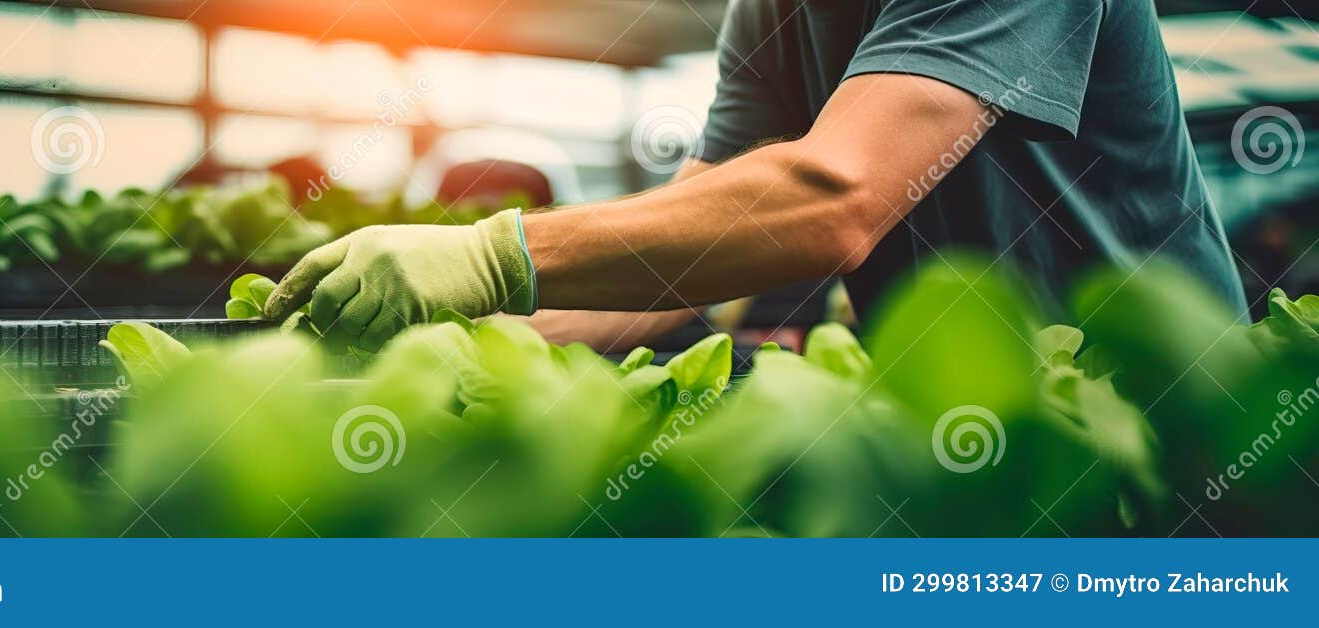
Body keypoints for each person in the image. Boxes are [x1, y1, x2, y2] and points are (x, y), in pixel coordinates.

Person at [263, 0, 1246, 353]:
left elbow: (835, 197)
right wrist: (452, 335)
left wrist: (492, 254)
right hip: (972, 409)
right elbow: (683, 257)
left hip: (1158, 412)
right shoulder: (771, 11)